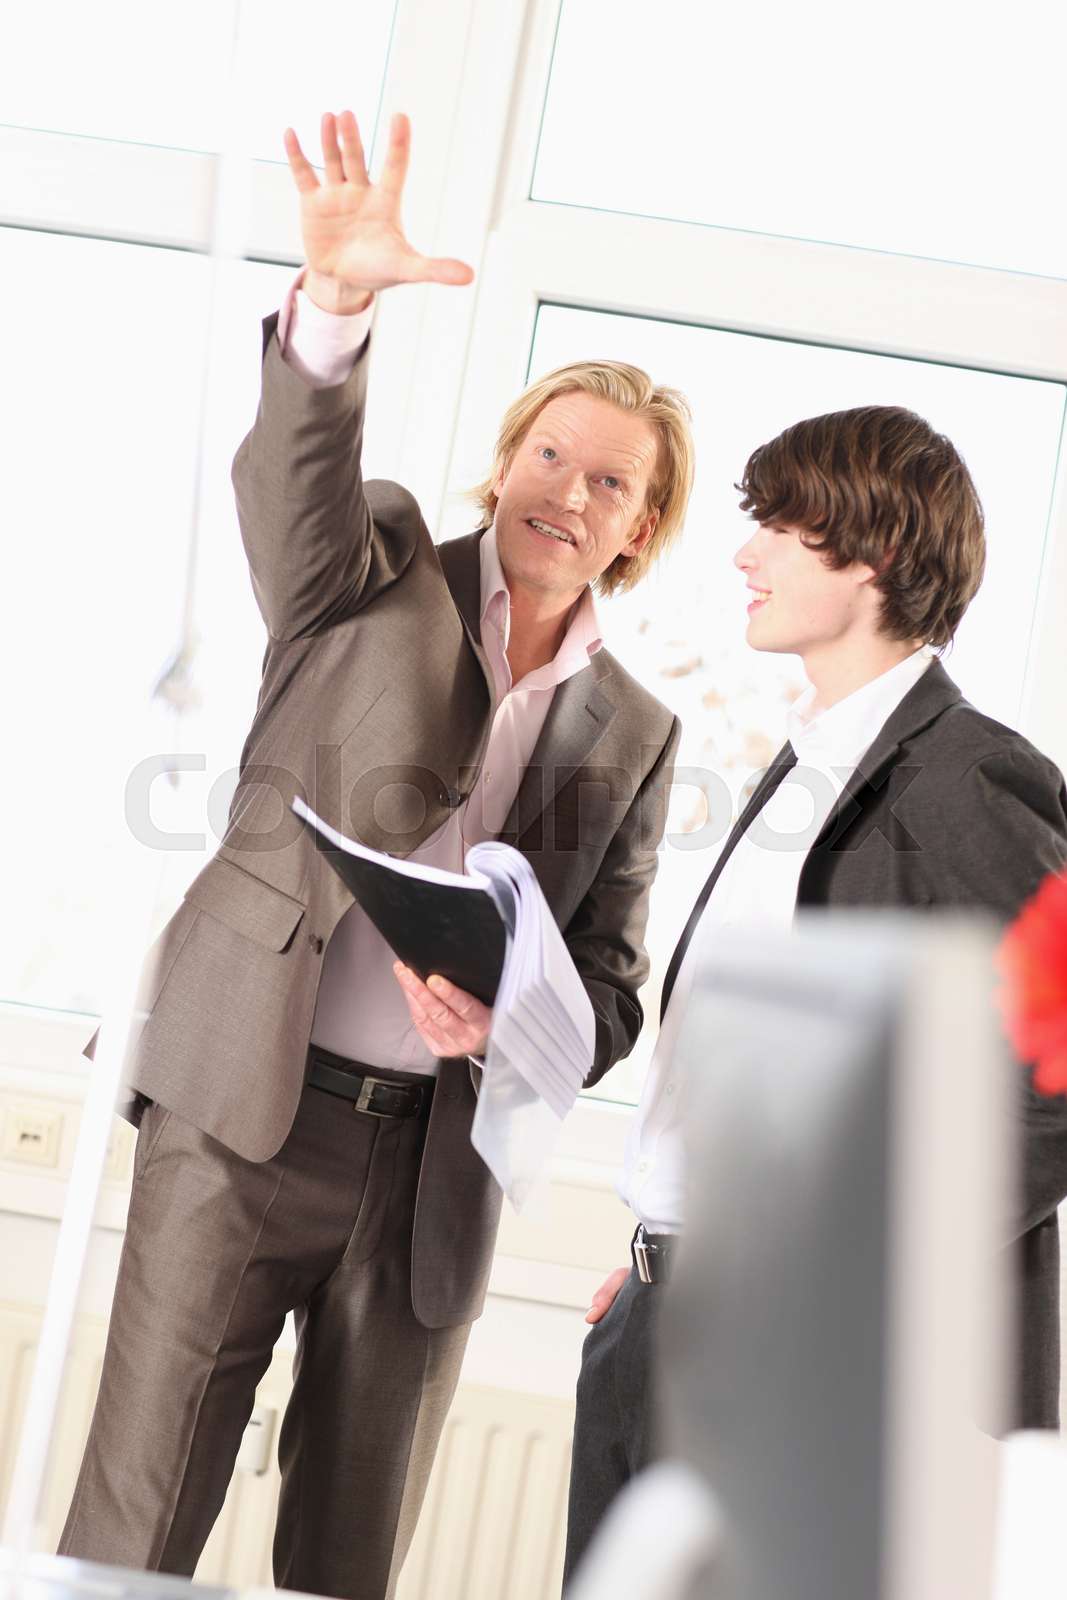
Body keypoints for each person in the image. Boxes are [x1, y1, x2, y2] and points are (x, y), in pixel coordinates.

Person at [59, 109, 694, 1600]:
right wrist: (335, 309)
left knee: (345, 1565)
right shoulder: (377, 567)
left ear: (640, 523)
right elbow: (292, 491)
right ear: (505, 463)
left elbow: (608, 988)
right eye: (550, 455)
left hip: (427, 1174)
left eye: (609, 482)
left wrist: (519, 1019)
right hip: (238, 1119)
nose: (568, 493)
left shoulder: (636, 728)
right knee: (135, 1524)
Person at [562, 402, 1067, 1585]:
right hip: (662, 1308)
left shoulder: (965, 777)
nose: (743, 555)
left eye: (778, 529)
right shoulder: (808, 761)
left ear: (874, 552)